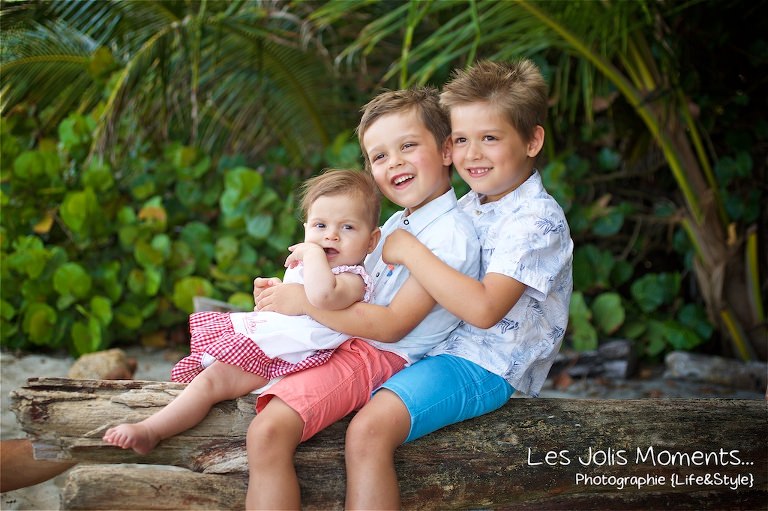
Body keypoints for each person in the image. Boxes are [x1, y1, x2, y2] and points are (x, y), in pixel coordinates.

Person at [344, 59, 574, 509]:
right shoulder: (467, 208)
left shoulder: (538, 220)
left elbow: (486, 309)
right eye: (462, 140)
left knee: (369, 431)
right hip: (433, 349)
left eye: (490, 138)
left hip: (486, 365)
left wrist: (411, 251)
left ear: (532, 140)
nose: (472, 154)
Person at [245, 86, 481, 509]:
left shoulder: (451, 235)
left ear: (447, 150)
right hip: (344, 342)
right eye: (380, 156)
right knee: (222, 378)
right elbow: (349, 284)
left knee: (267, 432)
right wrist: (288, 291)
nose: (395, 163)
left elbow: (392, 324)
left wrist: (303, 302)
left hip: (377, 354)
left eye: (408, 145)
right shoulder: (393, 225)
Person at [102, 169, 383, 455]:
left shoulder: (353, 279)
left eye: (347, 227)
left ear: (371, 241)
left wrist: (310, 254)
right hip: (274, 345)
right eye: (320, 225)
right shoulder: (311, 268)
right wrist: (272, 294)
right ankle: (154, 426)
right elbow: (299, 301)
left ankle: (151, 430)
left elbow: (323, 296)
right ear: (306, 227)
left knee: (210, 382)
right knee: (207, 381)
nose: (331, 236)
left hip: (287, 357)